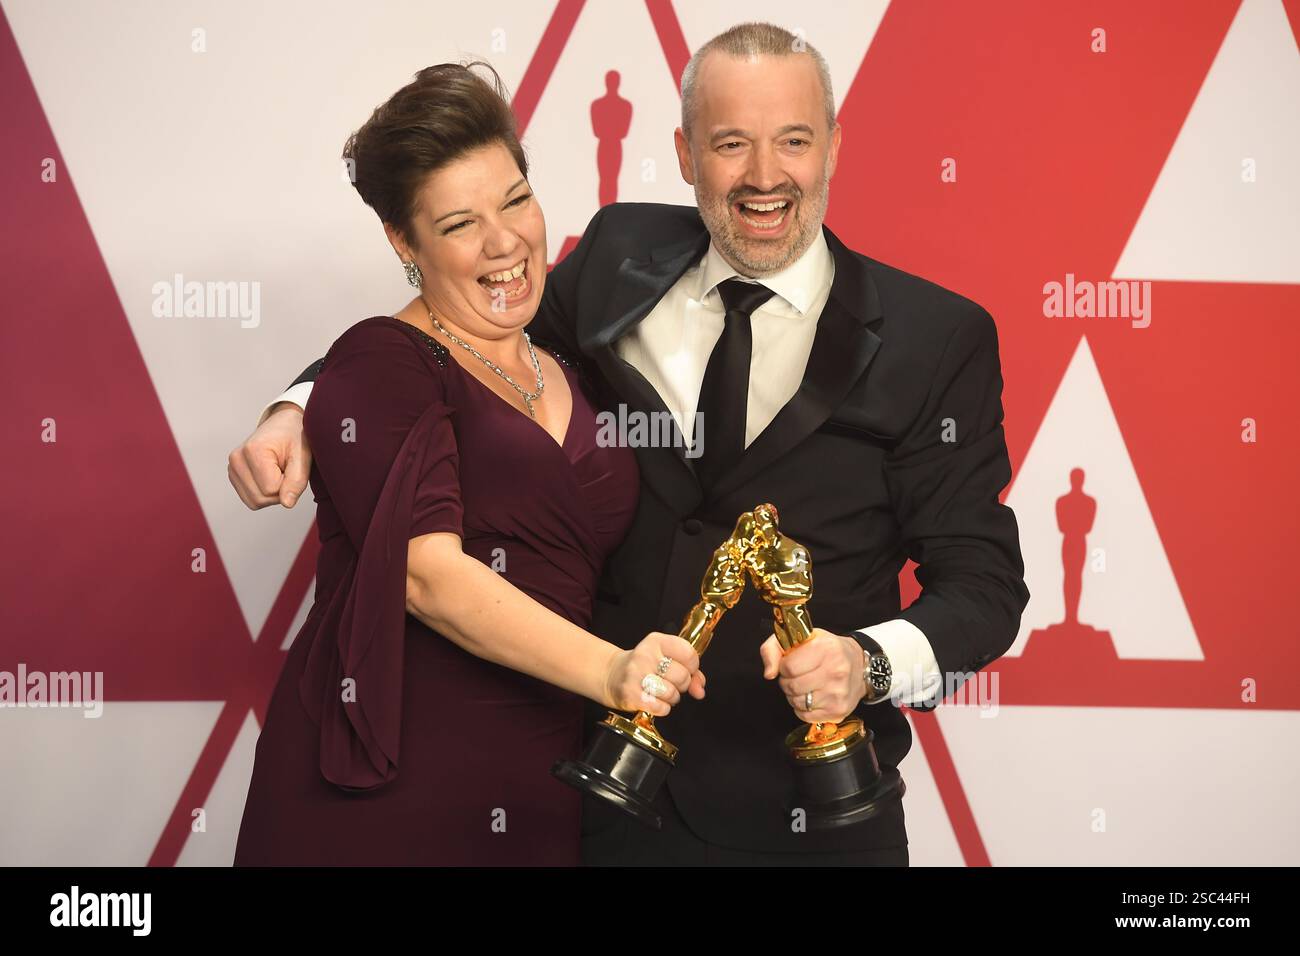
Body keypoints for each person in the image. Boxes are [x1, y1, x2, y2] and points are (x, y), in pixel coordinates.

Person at [231, 23, 1030, 866]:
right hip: (594, 800)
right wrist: (304, 403)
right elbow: (451, 343)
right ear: (685, 155)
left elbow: (983, 585)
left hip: (807, 819)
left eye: (793, 140)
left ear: (832, 144)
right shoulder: (619, 256)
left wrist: (866, 663)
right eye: (731, 144)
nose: (765, 177)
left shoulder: (938, 338)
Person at [231, 62, 704, 867]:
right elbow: (427, 577)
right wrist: (614, 670)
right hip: (393, 787)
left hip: (543, 775)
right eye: (458, 225)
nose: (504, 242)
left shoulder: (569, 363)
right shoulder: (382, 360)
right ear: (402, 241)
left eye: (515, 200)